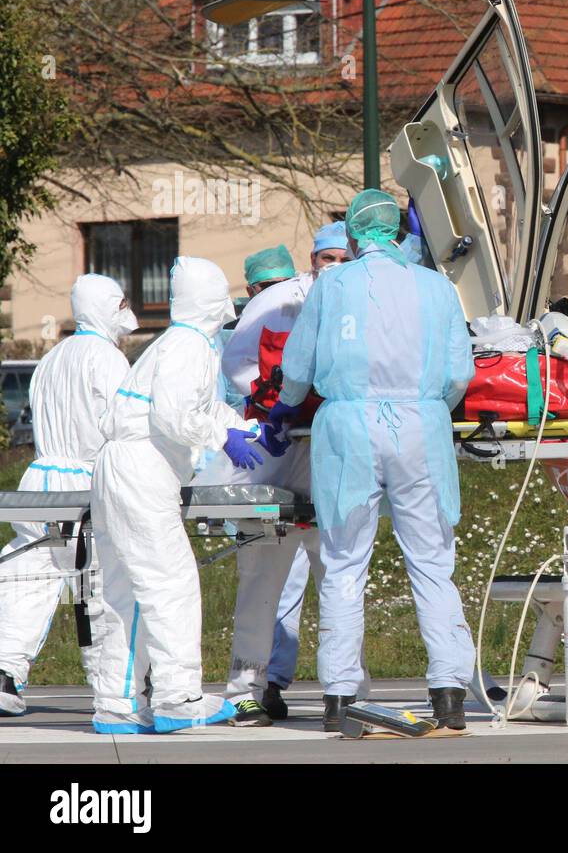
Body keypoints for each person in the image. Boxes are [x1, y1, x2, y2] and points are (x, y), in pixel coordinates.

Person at [274, 190, 475, 732]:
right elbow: (460, 372)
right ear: (397, 232)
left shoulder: (332, 284)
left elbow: (299, 364)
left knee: (343, 561)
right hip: (421, 427)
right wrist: (429, 406)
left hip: (347, 426)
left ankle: (339, 695)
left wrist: (284, 406)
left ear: (356, 237)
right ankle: (449, 690)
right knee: (432, 561)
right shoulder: (437, 287)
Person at [88, 257, 267, 734]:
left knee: (126, 590)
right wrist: (220, 438)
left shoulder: (171, 343)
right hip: (142, 470)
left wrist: (247, 429)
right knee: (170, 584)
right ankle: (178, 697)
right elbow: (175, 417)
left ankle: (118, 703)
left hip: (117, 467)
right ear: (215, 300)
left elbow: (201, 408)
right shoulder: (191, 346)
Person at [194, 229, 354, 725]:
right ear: (311, 259)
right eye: (328, 257)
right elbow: (239, 361)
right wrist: (272, 403)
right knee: (261, 575)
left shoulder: (360, 300)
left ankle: (346, 688)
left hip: (331, 447)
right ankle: (245, 687)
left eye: (344, 257)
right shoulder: (279, 300)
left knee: (339, 573)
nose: (335, 265)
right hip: (278, 445)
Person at [0, 276, 136, 717]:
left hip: (40, 482)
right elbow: (125, 425)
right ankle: (111, 688)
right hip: (87, 483)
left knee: (28, 577)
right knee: (98, 585)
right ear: (110, 306)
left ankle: (3, 672)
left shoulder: (52, 357)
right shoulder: (108, 359)